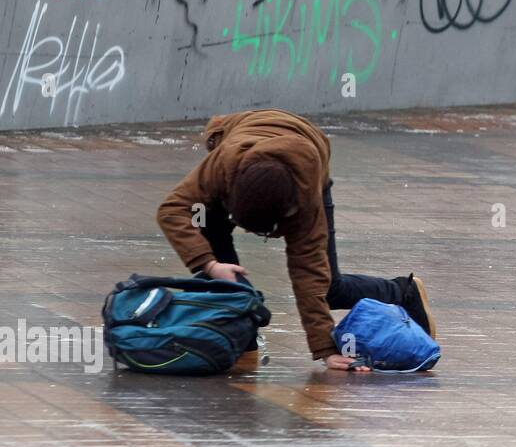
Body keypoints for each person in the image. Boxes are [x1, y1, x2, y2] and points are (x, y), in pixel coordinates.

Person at [156, 109, 435, 372]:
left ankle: (403, 292)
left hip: (305, 164)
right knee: (214, 251)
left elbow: (308, 273)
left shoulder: (305, 206)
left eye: (263, 231)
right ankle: (243, 341)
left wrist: (326, 349)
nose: (253, 235)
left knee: (328, 287)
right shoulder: (223, 165)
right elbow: (171, 209)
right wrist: (209, 264)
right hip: (243, 149)